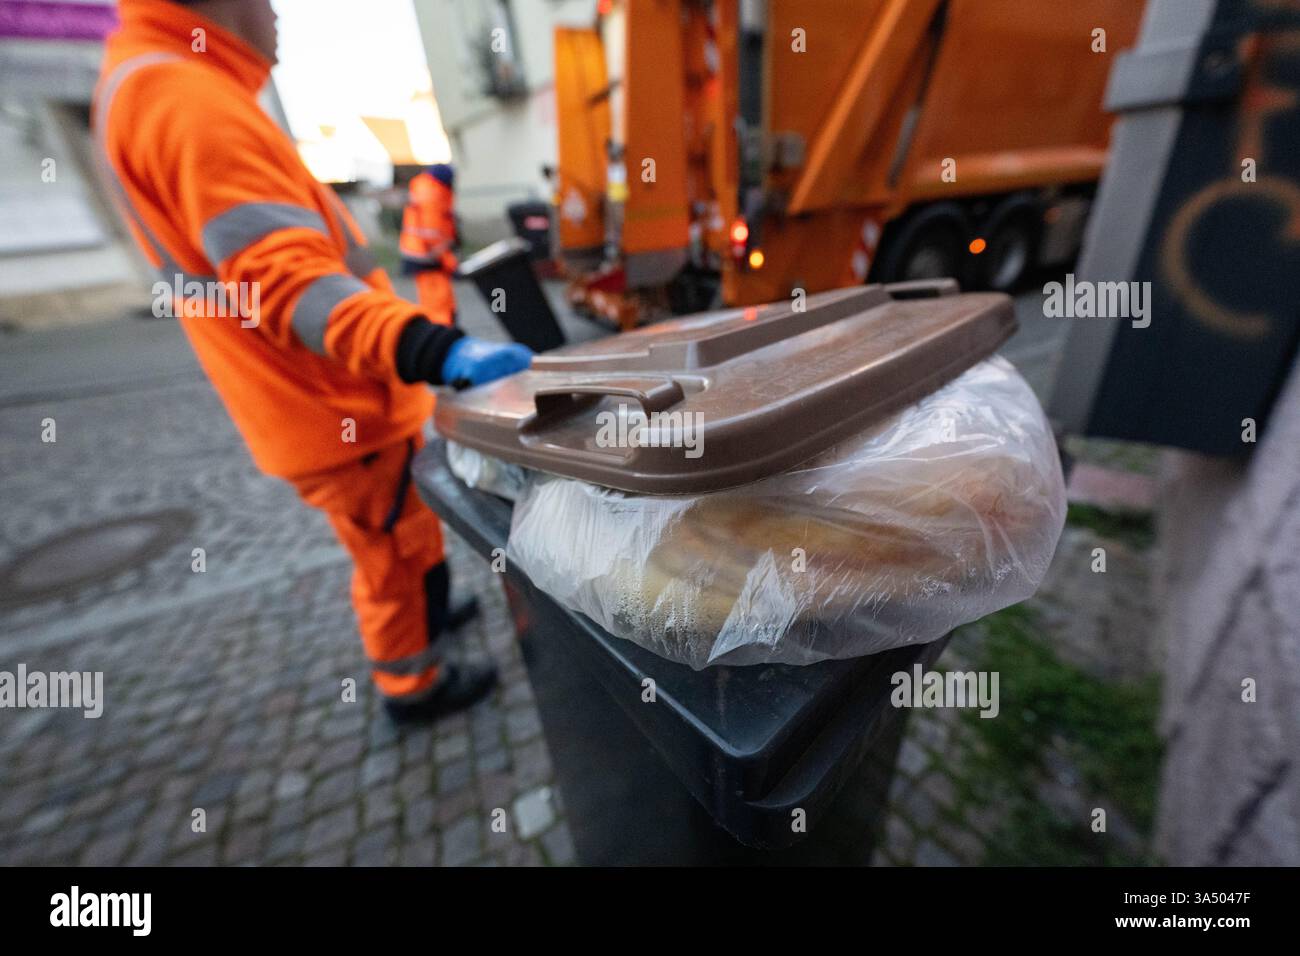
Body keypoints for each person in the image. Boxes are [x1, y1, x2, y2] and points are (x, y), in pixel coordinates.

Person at [95, 0, 533, 722]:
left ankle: (430, 618)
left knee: (403, 528)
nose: (276, 12)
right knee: (387, 557)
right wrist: (435, 346)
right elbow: (289, 283)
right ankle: (411, 685)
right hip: (334, 404)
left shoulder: (170, 83)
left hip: (326, 402)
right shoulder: (184, 97)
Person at [400, 164, 459, 323]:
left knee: (434, 298)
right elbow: (432, 231)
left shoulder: (423, 187)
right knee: (437, 300)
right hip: (427, 255)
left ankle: (444, 325)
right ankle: (443, 329)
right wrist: (446, 257)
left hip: (420, 252)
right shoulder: (432, 193)